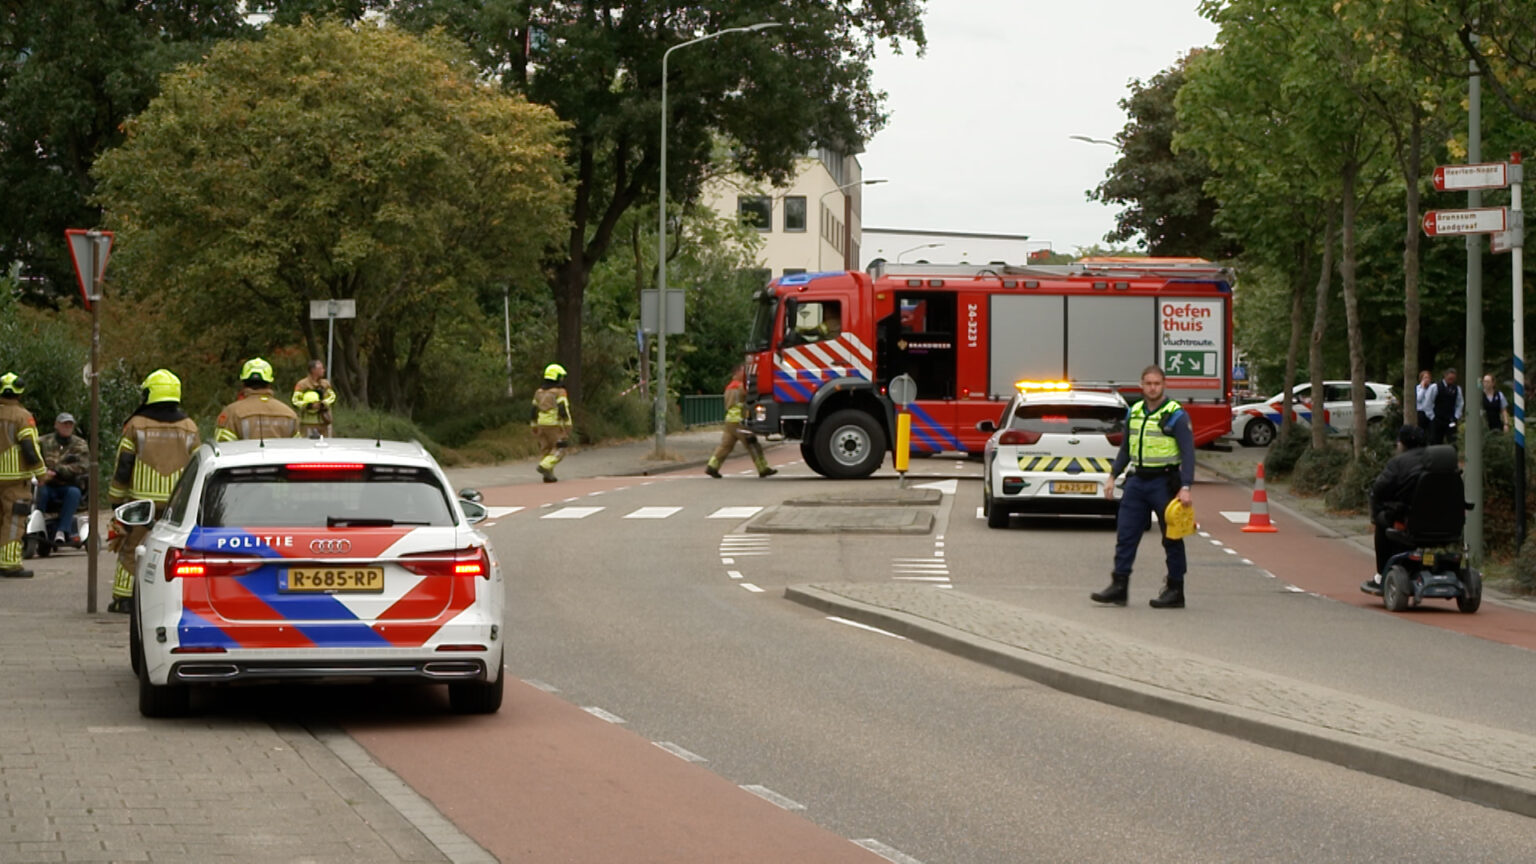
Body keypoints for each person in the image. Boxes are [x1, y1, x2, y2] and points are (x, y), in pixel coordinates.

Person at [1091, 365, 1196, 609]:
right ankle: (1119, 586)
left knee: (1172, 538)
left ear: (1164, 385)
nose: (1152, 388)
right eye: (1148, 383)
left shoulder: (1176, 414)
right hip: (1137, 482)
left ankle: (1175, 589)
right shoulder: (1134, 412)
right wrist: (1112, 476)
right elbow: (1126, 449)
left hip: (1165, 482)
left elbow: (1188, 454)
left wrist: (1186, 486)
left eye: (1157, 384)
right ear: (1141, 384)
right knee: (1126, 534)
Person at [106, 370, 201, 613]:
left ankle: (123, 598)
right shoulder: (189, 427)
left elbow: (124, 464)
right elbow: (197, 464)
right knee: (175, 550)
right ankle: (174, 599)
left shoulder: (136, 425)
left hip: (142, 502)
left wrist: (116, 499)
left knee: (130, 547)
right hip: (177, 503)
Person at [1361, 425, 1433, 595]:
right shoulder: (1440, 461)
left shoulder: (1398, 463)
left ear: (1403, 443)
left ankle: (1381, 573)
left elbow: (1379, 489)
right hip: (1445, 523)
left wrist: (1377, 512)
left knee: (1382, 521)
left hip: (1410, 520)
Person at [0, 373, 47, 578]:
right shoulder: (22, 416)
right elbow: (29, 447)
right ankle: (9, 563)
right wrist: (41, 472)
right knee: (13, 520)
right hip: (15, 478)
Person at [705, 366, 777, 479]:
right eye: (743, 372)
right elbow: (750, 397)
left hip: (730, 421)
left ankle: (712, 466)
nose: (745, 374)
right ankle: (762, 468)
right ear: (737, 372)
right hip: (740, 421)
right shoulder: (740, 387)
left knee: (725, 446)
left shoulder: (729, 387)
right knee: (752, 444)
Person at [38, 412, 90, 548]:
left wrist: (57, 471)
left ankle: (62, 530)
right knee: (40, 491)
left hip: (67, 485)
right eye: (64, 424)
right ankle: (38, 528)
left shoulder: (80, 444)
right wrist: (41, 472)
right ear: (56, 425)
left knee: (74, 493)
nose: (67, 427)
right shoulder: (43, 441)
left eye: (69, 424)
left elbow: (82, 466)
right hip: (46, 484)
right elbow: (32, 458)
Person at [216, 358, 300, 442]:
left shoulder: (231, 413)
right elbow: (298, 447)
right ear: (269, 383)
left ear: (243, 383)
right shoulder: (290, 414)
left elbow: (223, 447)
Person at [529, 363, 572, 483]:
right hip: (554, 424)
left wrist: (533, 425)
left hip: (540, 424)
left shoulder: (539, 392)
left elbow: (533, 410)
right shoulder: (559, 392)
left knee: (546, 449)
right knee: (560, 448)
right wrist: (568, 424)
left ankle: (548, 475)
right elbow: (563, 409)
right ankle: (544, 466)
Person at [291, 359, 336, 438]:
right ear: (313, 370)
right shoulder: (302, 384)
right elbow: (295, 400)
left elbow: (332, 397)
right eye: (321, 368)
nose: (323, 370)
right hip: (307, 423)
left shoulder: (325, 384)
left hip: (324, 421)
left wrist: (323, 404)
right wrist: (309, 405)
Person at [1429, 367, 1463, 445]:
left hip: (1451, 420)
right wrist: (1432, 417)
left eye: (1453, 379)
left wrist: (1456, 416)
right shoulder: (1435, 387)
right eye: (1450, 378)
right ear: (1445, 376)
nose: (1451, 381)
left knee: (1453, 440)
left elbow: (1460, 403)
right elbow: (1429, 402)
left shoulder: (1457, 389)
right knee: (1436, 441)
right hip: (1437, 419)